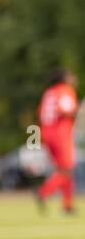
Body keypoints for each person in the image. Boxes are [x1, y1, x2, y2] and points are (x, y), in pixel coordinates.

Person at [37, 69, 78, 216]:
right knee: (66, 169)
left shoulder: (49, 92)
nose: (74, 78)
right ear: (65, 78)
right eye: (71, 76)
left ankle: (68, 206)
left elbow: (41, 113)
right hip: (60, 132)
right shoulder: (65, 90)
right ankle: (43, 192)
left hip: (47, 132)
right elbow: (66, 109)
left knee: (63, 170)